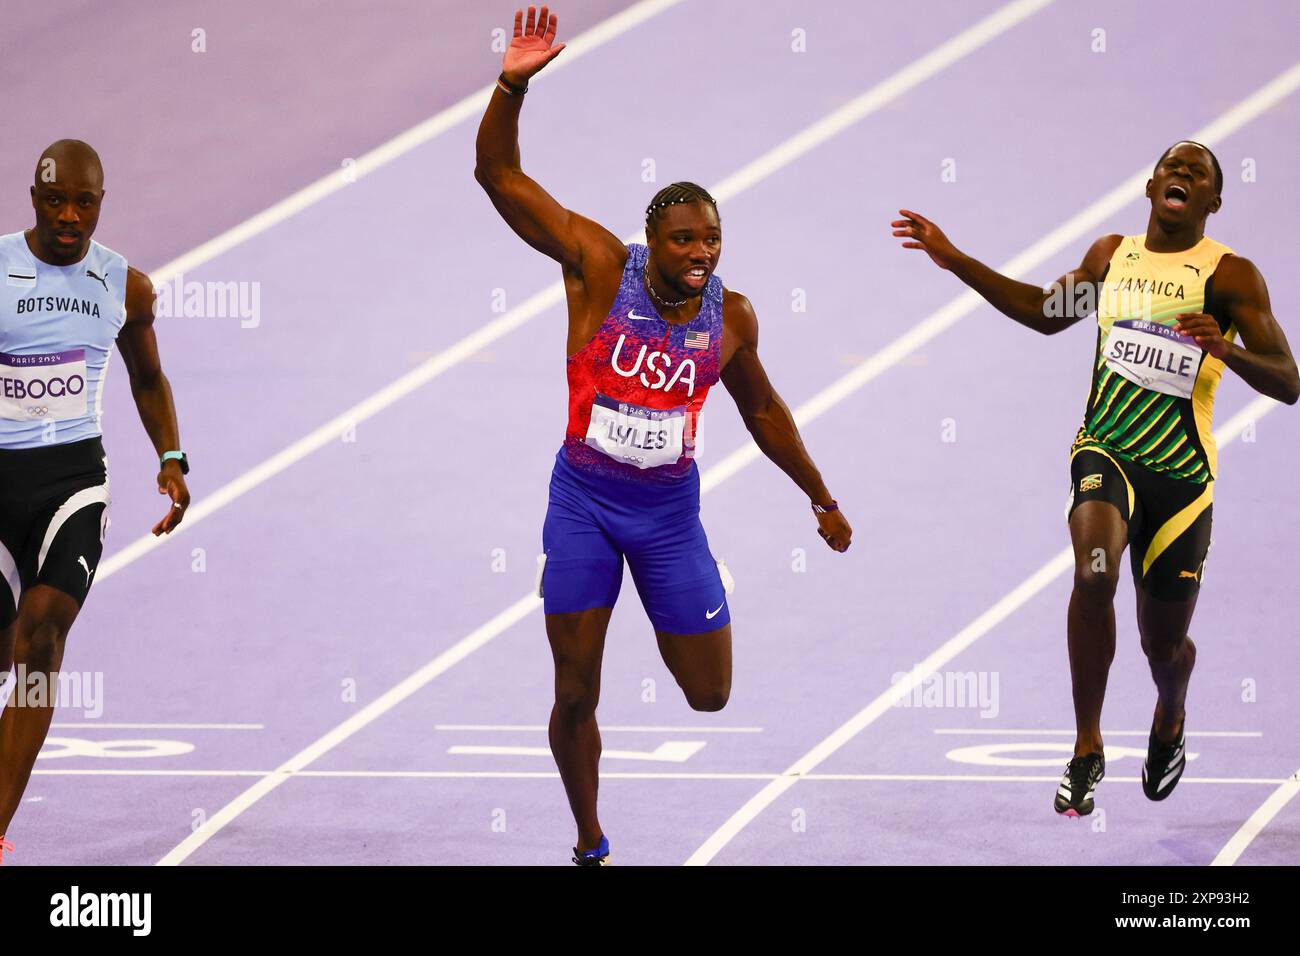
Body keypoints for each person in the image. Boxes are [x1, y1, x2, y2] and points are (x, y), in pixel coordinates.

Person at [475, 6, 852, 863]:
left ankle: (667, 608)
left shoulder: (732, 317)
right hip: (583, 503)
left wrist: (820, 497)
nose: (701, 253)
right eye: (684, 239)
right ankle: (589, 841)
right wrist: (511, 86)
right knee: (576, 690)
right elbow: (496, 174)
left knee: (711, 694)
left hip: (670, 517)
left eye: (711, 239)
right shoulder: (600, 270)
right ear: (650, 240)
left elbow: (763, 413)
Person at [892, 141, 1299, 816]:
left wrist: (1225, 346)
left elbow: (1288, 382)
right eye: (1174, 166)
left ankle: (1170, 714)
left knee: (1162, 645)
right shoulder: (1113, 257)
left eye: (1198, 173)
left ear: (1212, 203)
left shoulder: (1231, 277)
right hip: (1106, 452)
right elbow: (1046, 315)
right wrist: (955, 258)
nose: (1184, 175)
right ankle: (1087, 746)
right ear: (1150, 186)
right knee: (1095, 573)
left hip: (1182, 478)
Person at [0, 140, 191, 864]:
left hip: (71, 482)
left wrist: (170, 459)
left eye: (83, 203)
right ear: (34, 199)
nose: (69, 216)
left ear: (101, 204)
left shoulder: (125, 285)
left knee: (41, 642)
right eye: (55, 202)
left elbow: (148, 379)